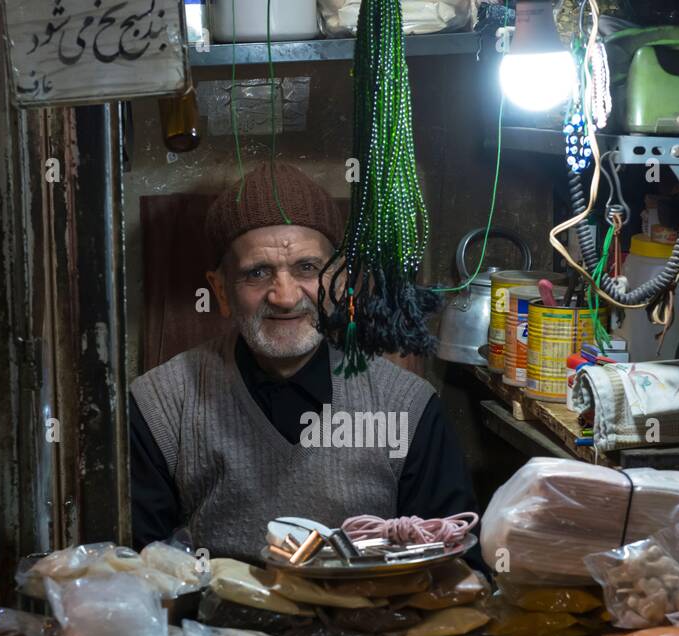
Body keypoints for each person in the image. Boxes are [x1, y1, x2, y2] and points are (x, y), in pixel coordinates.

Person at [128, 162, 477, 562]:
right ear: (221, 291)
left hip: (367, 619)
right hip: (212, 621)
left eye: (307, 269)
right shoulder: (161, 405)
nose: (284, 295)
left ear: (341, 282)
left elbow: (454, 560)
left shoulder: (407, 406)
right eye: (257, 273)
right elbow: (137, 573)